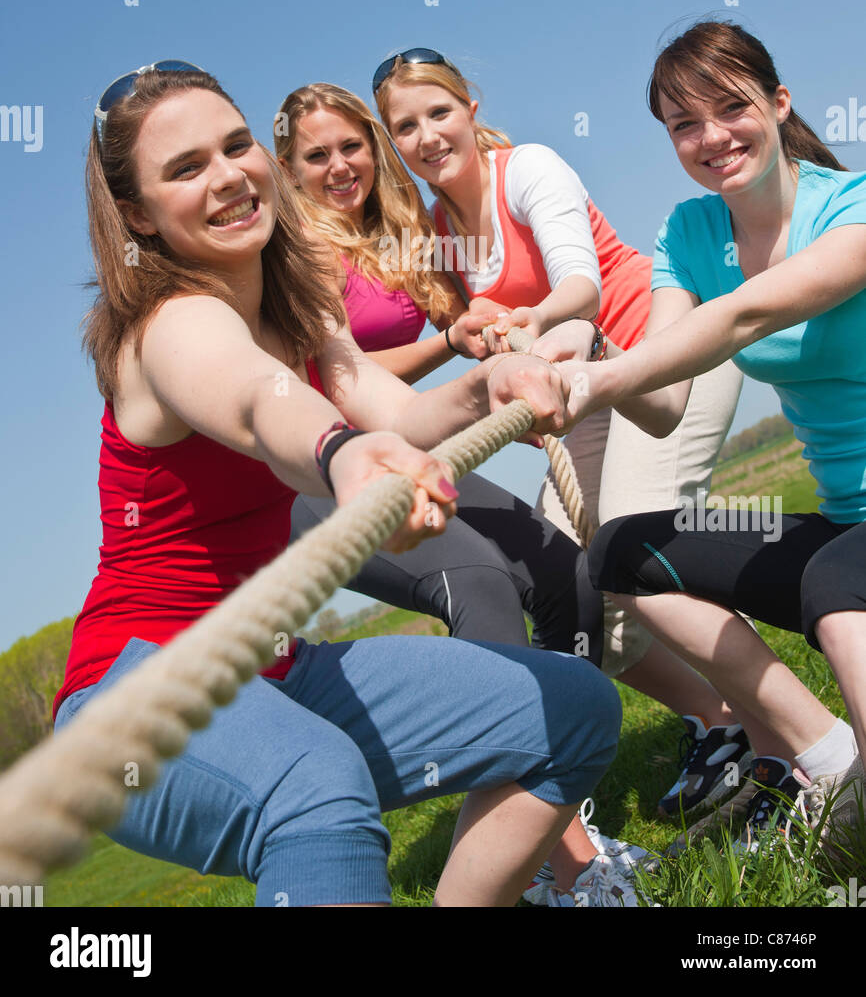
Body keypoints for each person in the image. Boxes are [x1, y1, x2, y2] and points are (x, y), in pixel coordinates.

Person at [52, 60, 622, 908]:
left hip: (279, 672)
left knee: (573, 708)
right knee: (317, 791)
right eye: (186, 168)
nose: (229, 176)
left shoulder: (301, 310)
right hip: (134, 690)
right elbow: (258, 402)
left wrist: (486, 384)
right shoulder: (168, 327)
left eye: (236, 146)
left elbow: (388, 405)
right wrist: (341, 455)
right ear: (137, 214)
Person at [274, 81, 641, 905]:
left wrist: (495, 335)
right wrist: (449, 340)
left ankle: (543, 799)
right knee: (479, 583)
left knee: (563, 574)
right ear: (289, 171)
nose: (339, 165)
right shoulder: (297, 251)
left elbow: (470, 310)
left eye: (352, 146)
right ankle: (566, 864)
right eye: (316, 156)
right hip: (318, 473)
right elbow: (346, 375)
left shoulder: (403, 235)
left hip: (408, 446)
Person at [373, 48, 750, 831]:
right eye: (404, 127)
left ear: (469, 108)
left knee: (636, 554)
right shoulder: (440, 231)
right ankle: (722, 722)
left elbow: (580, 283)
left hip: (658, 360)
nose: (427, 135)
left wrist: (532, 322)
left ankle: (789, 743)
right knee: (575, 585)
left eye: (438, 112)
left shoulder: (529, 169)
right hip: (582, 400)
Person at [554, 19, 865, 854]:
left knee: (840, 600)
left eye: (732, 107)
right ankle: (832, 758)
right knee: (619, 554)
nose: (711, 137)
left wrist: (598, 375)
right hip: (846, 521)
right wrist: (580, 359)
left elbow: (750, 313)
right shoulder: (689, 235)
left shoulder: (853, 207)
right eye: (684, 124)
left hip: (855, 550)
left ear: (779, 101)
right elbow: (663, 397)